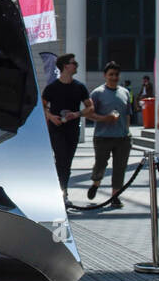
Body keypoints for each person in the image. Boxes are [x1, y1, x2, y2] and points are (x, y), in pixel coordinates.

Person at [41, 53, 92, 205]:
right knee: (61, 159)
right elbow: (42, 106)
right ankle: (61, 193)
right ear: (65, 66)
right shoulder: (52, 88)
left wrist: (77, 114)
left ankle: (62, 191)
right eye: (73, 63)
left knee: (67, 162)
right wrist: (50, 116)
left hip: (72, 129)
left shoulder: (79, 87)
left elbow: (91, 107)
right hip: (57, 129)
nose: (76, 65)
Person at [86, 61, 133, 209]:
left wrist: (127, 131)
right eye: (111, 74)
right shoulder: (97, 93)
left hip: (122, 138)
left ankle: (115, 195)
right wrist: (105, 119)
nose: (114, 77)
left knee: (120, 167)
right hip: (102, 136)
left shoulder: (125, 92)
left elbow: (127, 114)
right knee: (100, 163)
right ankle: (96, 182)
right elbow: (89, 114)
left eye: (116, 74)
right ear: (105, 76)